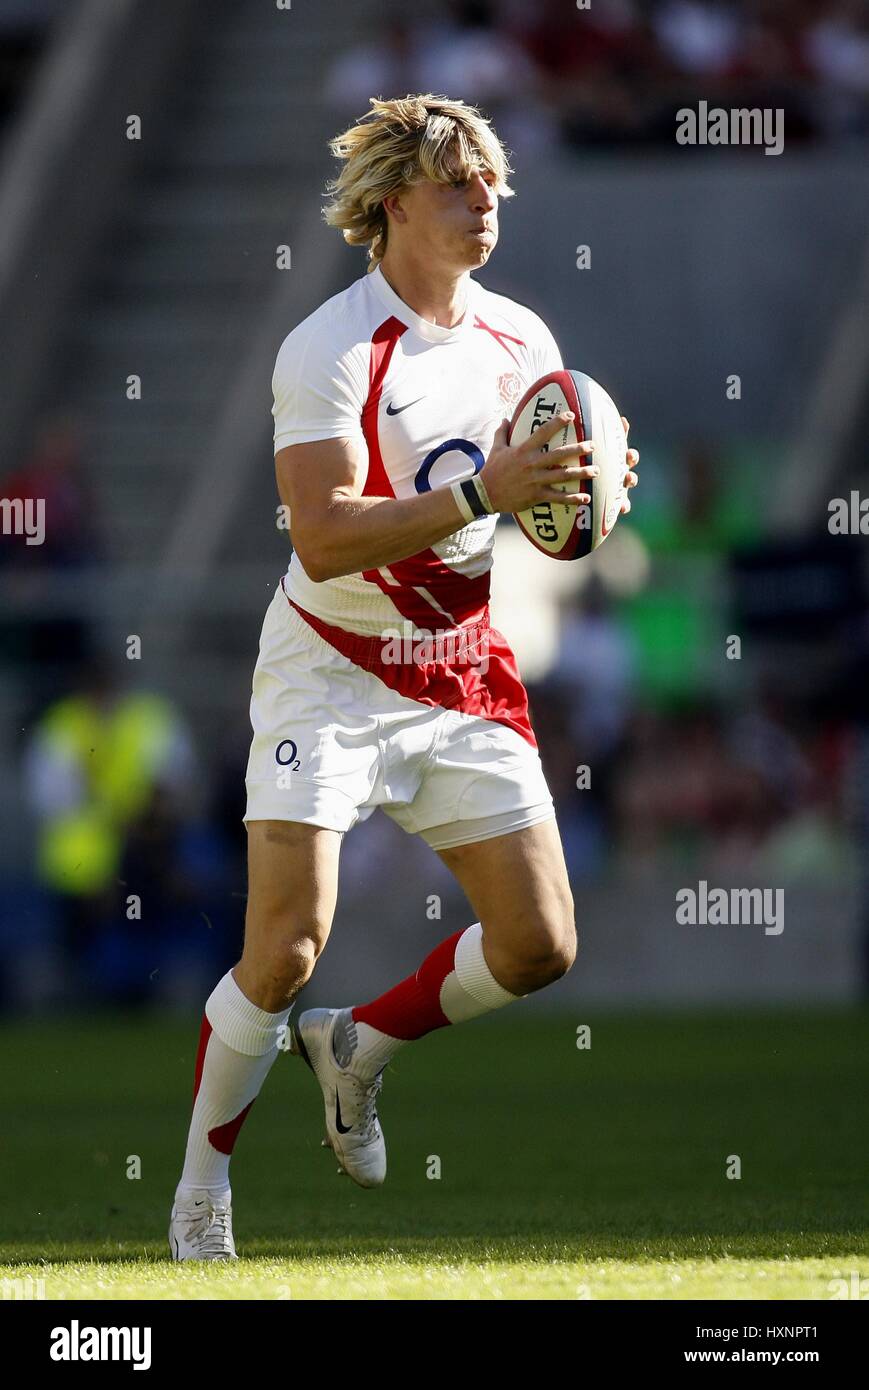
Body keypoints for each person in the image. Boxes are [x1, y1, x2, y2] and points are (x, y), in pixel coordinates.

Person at [169, 94, 639, 1260]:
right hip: (329, 666)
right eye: (456, 188)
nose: (483, 205)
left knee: (539, 943)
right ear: (392, 205)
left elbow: (547, 513)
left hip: (461, 666)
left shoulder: (521, 339)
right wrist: (490, 487)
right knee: (283, 944)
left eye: (490, 188)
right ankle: (199, 1190)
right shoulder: (327, 345)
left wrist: (597, 488)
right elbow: (324, 536)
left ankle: (359, 1047)